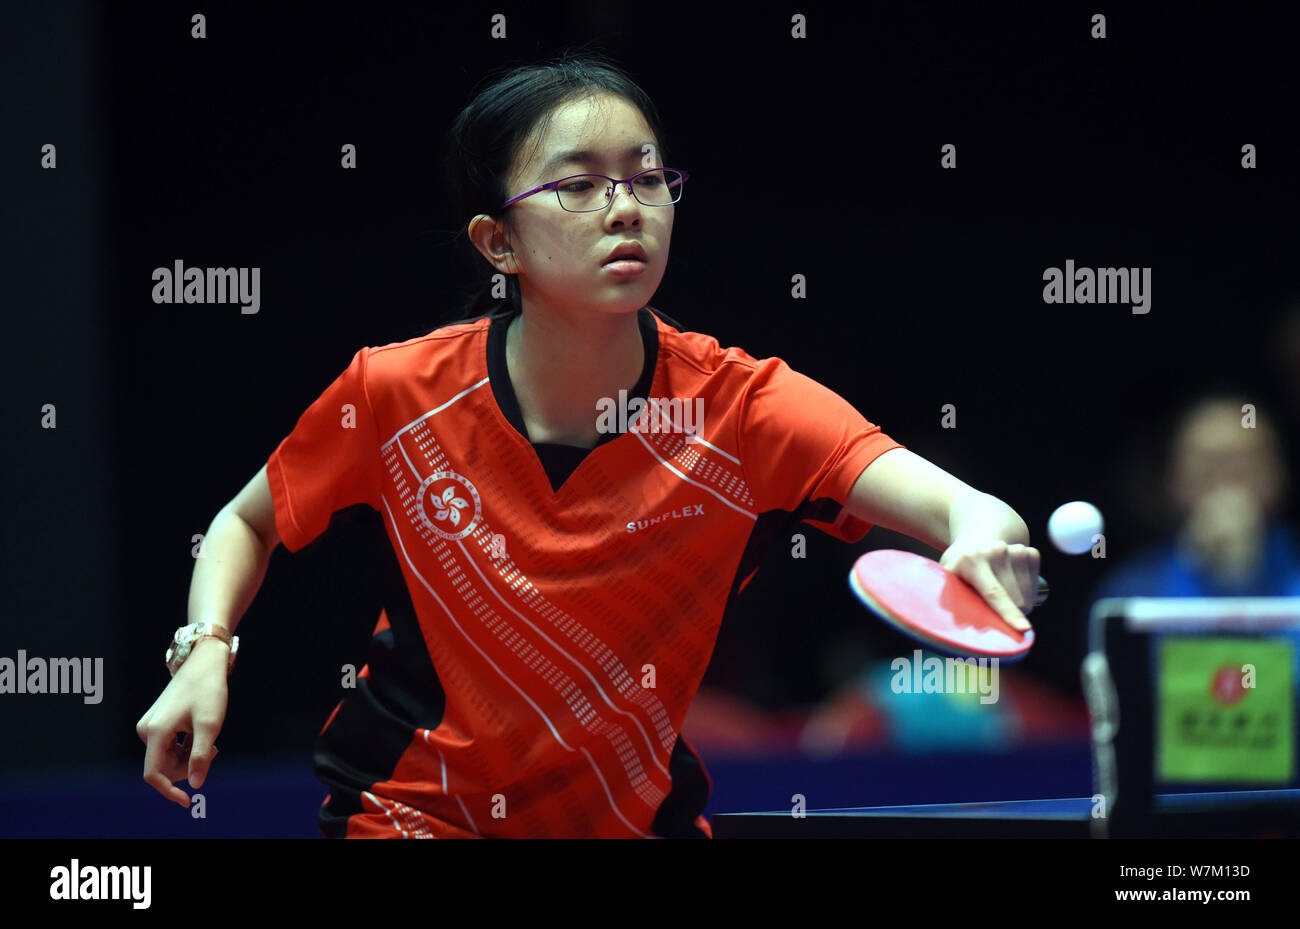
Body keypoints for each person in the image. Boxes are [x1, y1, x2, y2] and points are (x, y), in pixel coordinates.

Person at [135, 52, 1043, 838]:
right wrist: (206, 645)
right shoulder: (394, 394)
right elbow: (245, 521)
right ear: (499, 242)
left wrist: (981, 537)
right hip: (413, 813)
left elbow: (963, 505)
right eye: (577, 185)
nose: (625, 208)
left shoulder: (743, 410)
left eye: (647, 178)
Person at [1090, 392, 1300, 602]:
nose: (1228, 489)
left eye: (1244, 469)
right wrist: (1199, 565)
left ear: (1280, 475)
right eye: (1208, 469)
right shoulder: (1130, 591)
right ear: (1172, 481)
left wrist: (1245, 576)